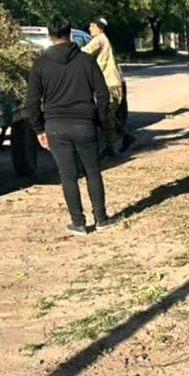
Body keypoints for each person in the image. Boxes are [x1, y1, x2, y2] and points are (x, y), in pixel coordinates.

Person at [25, 16, 115, 236]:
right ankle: (101, 218)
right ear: (70, 34)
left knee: (68, 176)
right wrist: (100, 121)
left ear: (49, 36)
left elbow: (32, 103)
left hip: (56, 128)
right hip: (85, 125)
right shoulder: (86, 61)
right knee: (93, 172)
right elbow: (103, 95)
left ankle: (79, 222)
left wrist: (39, 129)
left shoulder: (40, 65)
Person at [81, 16, 136, 157]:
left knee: (106, 116)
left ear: (98, 27)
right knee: (106, 116)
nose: (89, 28)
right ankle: (125, 137)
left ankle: (110, 148)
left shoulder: (99, 40)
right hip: (110, 83)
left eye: (91, 26)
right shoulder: (103, 39)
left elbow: (83, 53)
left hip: (110, 83)